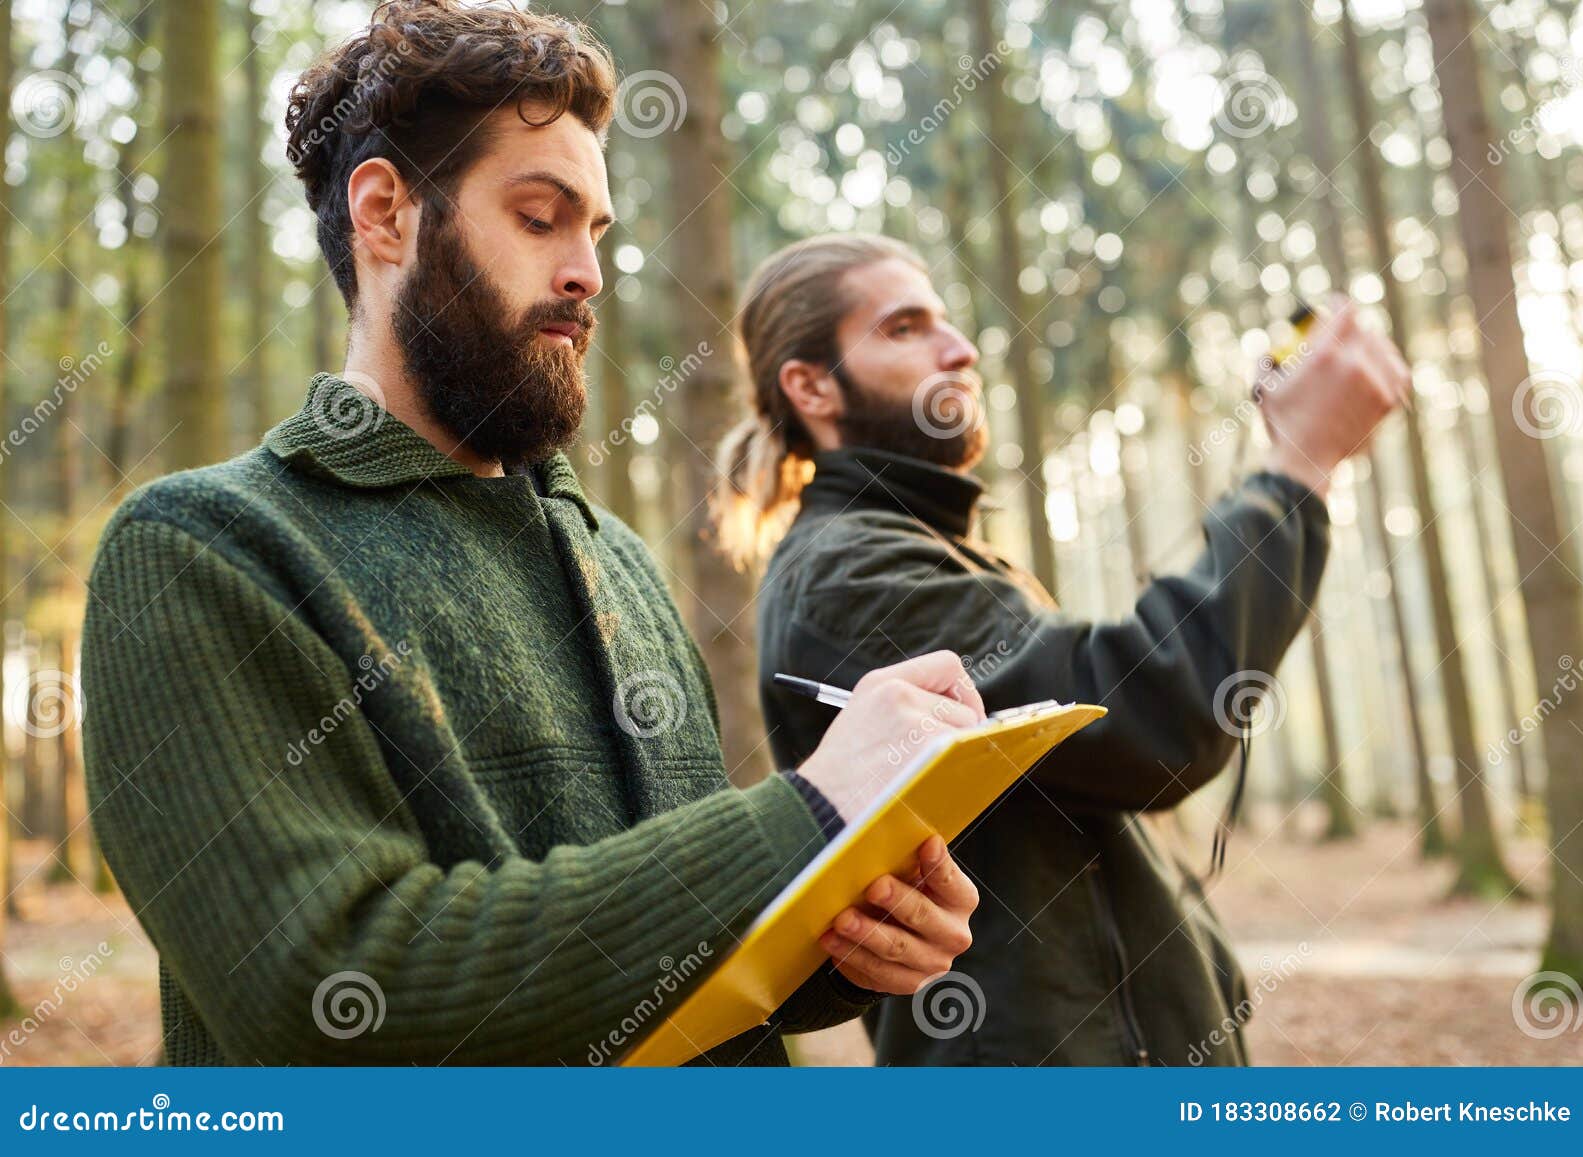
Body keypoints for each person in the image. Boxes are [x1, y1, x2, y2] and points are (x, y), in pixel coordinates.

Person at [79, 4, 984, 1067]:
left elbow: (671, 947)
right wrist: (807, 810)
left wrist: (843, 926)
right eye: (539, 215)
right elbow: (334, 988)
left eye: (595, 231)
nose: (588, 273)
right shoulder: (203, 549)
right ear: (385, 215)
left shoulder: (620, 560)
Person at [713, 233, 1410, 1065]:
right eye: (904, 327)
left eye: (946, 321)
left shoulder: (934, 552)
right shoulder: (847, 572)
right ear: (812, 385)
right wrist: (1296, 466)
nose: (960, 349)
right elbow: (1150, 712)